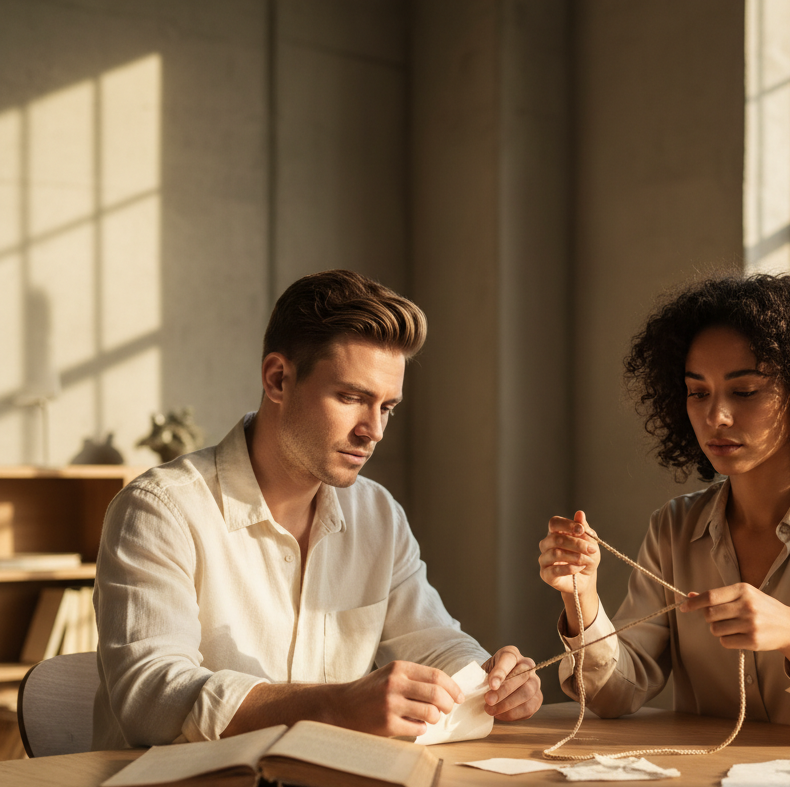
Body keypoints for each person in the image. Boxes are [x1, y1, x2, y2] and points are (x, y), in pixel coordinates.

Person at [93, 270, 542, 749]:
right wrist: (334, 706)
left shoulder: (378, 515)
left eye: (387, 407)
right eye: (351, 398)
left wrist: (491, 678)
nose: (374, 431)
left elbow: (433, 642)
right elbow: (151, 699)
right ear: (278, 379)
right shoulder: (159, 511)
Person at [538, 273, 790, 743]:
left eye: (744, 392)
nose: (715, 416)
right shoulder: (674, 527)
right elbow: (612, 694)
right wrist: (580, 596)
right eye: (697, 392)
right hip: (702, 783)